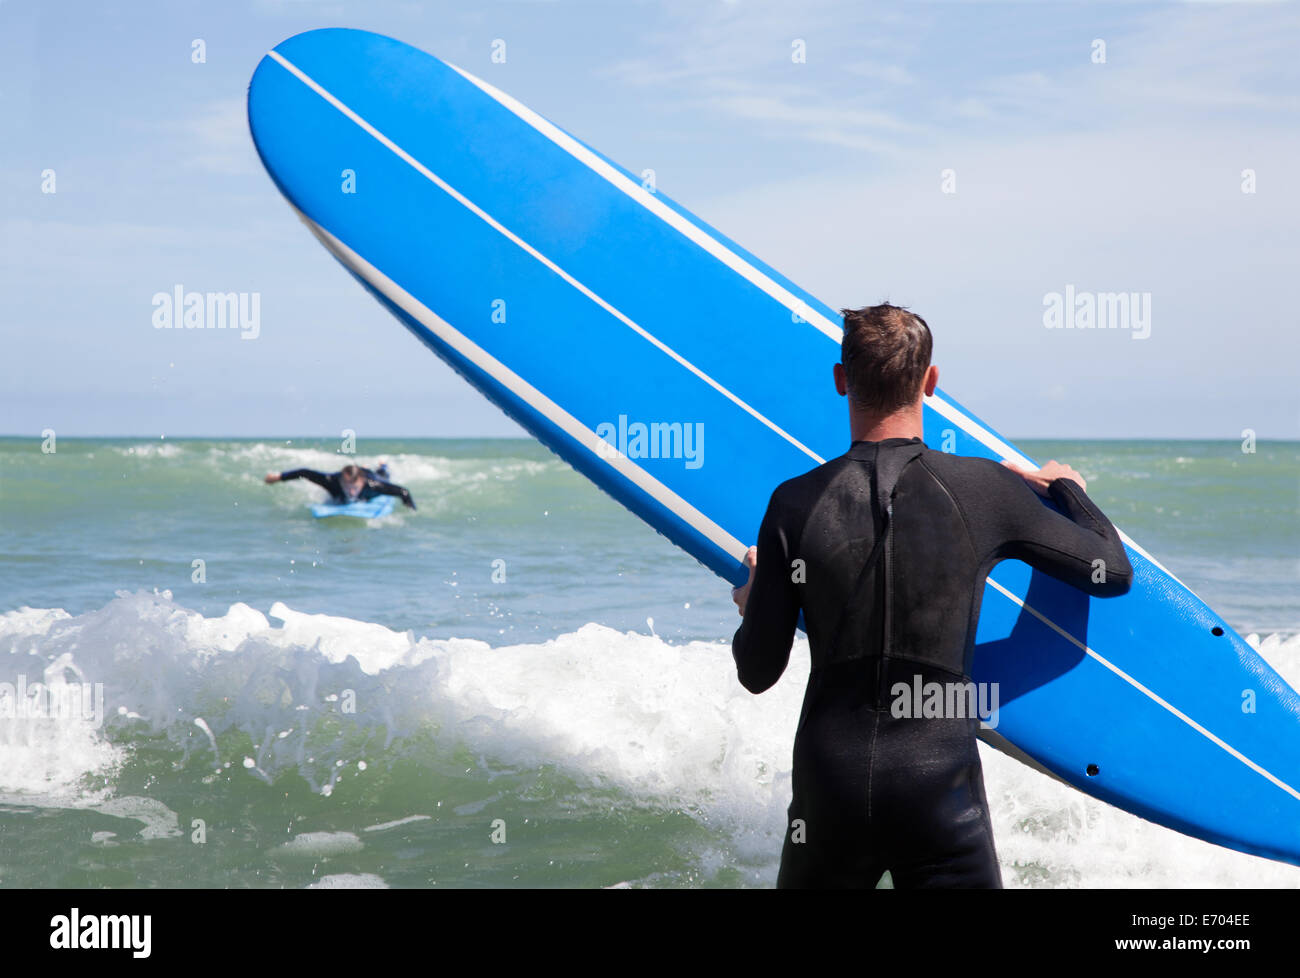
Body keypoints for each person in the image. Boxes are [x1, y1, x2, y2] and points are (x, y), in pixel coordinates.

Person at [730, 303, 1132, 889]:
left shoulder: (794, 503)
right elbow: (1110, 572)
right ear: (931, 382)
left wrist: (755, 599)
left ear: (842, 378)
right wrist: (1066, 489)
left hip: (829, 789)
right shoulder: (987, 490)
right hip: (939, 786)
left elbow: (758, 671)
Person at [264, 462, 416, 509]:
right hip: (349, 474)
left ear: (361, 483)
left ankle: (382, 466)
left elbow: (404, 492)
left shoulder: (373, 485)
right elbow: (305, 472)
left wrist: (409, 508)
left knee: (383, 475)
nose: (350, 490)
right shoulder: (333, 482)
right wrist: (279, 477)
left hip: (370, 475)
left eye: (354, 486)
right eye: (346, 485)